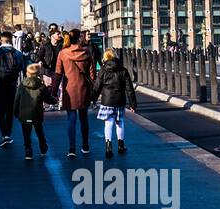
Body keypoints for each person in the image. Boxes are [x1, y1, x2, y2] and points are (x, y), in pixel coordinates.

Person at [52, 28, 95, 158]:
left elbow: (58, 74)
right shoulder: (86, 52)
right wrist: (94, 89)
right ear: (79, 38)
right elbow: (92, 74)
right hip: (83, 88)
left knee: (71, 119)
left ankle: (71, 148)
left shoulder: (63, 53)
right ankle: (85, 145)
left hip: (69, 89)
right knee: (84, 118)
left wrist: (53, 92)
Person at [91, 48, 137, 158]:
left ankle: (108, 146)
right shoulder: (123, 70)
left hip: (107, 100)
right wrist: (132, 104)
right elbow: (129, 88)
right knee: (120, 122)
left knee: (108, 123)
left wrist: (93, 99)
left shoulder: (103, 70)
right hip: (120, 100)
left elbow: (97, 86)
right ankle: (121, 145)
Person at [0, 29, 28, 147]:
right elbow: (22, 67)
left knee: (0, 110)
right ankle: (8, 134)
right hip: (12, 84)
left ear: (1, 40)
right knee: (10, 110)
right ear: (11, 40)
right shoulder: (17, 53)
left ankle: (4, 134)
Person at [14, 63, 49, 160]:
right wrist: (54, 101)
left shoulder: (22, 85)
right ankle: (42, 147)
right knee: (39, 130)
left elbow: (17, 99)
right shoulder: (41, 85)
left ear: (27, 73)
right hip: (36, 112)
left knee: (26, 133)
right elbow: (47, 97)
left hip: (24, 113)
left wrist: (16, 112)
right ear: (37, 73)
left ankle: (28, 151)